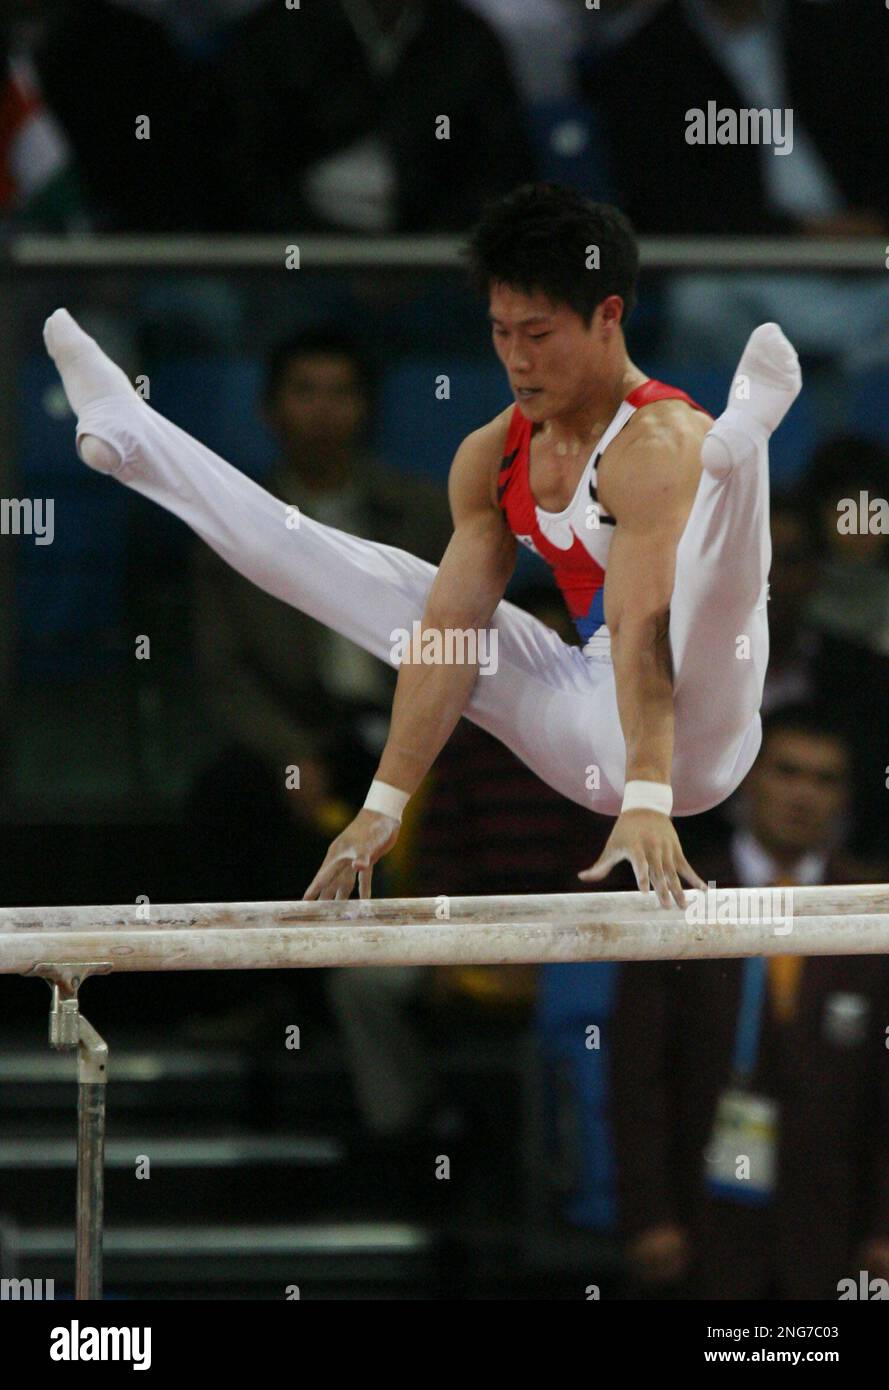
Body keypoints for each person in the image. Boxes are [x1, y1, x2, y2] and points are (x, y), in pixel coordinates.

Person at [42, 183, 802, 911]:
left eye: (537, 334)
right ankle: (131, 435)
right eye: (501, 333)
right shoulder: (490, 454)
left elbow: (641, 629)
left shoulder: (655, 444)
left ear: (608, 315)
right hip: (580, 716)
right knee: (400, 586)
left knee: (712, 607)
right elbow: (443, 639)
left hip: (693, 739)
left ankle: (741, 450)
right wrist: (383, 805)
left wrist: (646, 797)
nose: (517, 360)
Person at [611, 703, 889, 1299]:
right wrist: (648, 1212)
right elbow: (637, 1072)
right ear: (746, 779)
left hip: (837, 1224)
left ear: (845, 800)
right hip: (701, 1216)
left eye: (825, 780)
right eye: (787, 772)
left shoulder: (875, 908)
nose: (804, 795)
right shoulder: (674, 899)